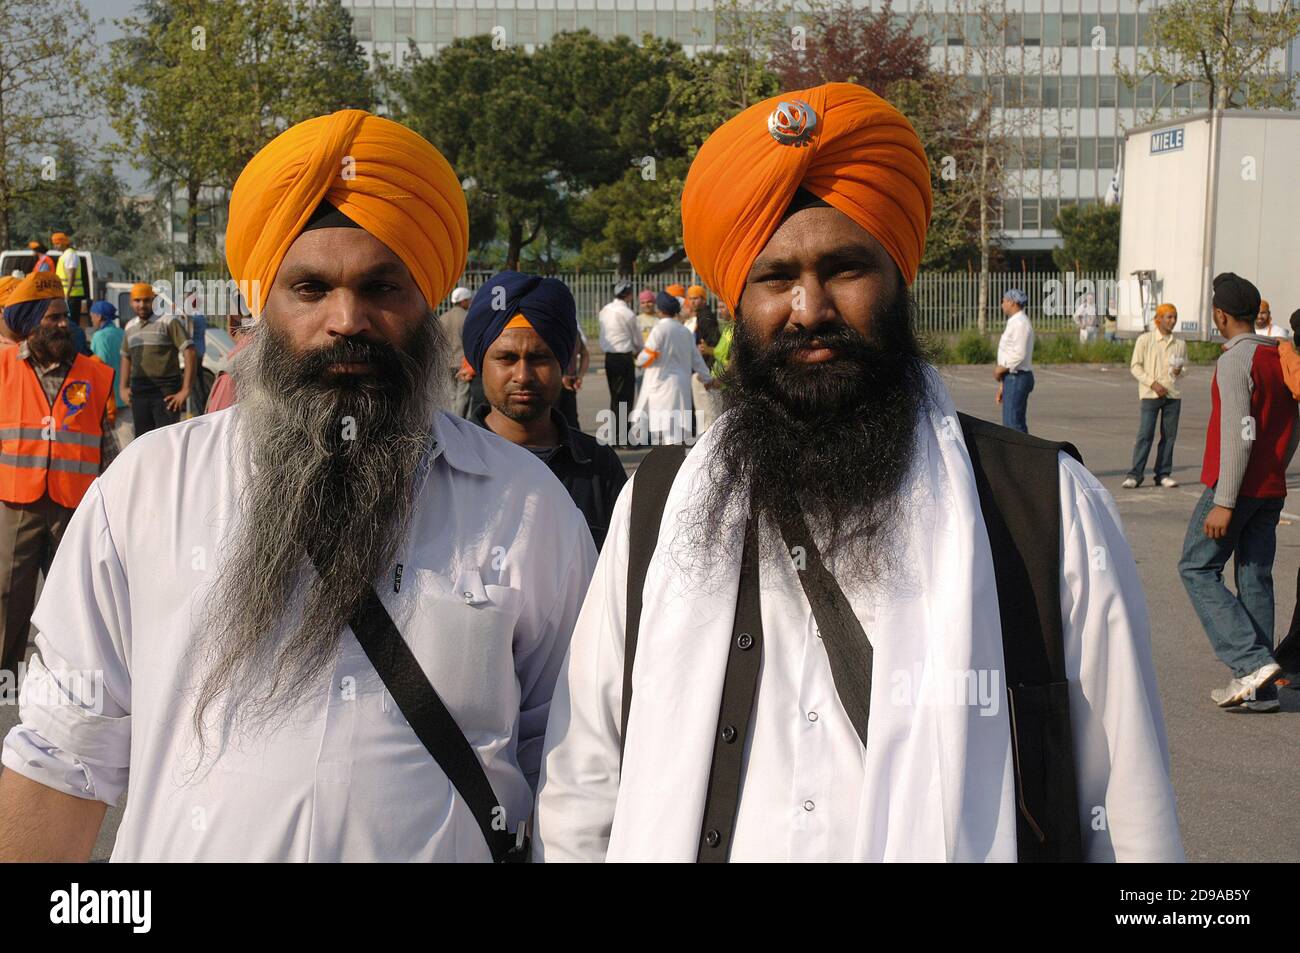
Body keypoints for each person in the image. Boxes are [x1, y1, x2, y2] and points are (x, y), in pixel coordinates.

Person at [536, 82, 1181, 863]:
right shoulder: (659, 505)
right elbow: (584, 788)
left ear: (899, 279)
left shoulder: (1043, 507)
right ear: (740, 304)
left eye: (844, 269)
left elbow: (1128, 813)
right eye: (776, 278)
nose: (809, 307)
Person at [0, 109, 596, 862]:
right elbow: (61, 759)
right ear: (261, 306)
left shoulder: (526, 506)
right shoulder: (147, 490)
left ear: (428, 303)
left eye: (382, 286)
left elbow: (578, 774)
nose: (348, 319)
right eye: (310, 288)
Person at [1178, 273, 1299, 714]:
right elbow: (1293, 427)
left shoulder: (1236, 361)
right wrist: (1276, 469)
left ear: (1220, 315)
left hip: (1236, 487)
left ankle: (1250, 663)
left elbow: (1239, 434)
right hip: (1270, 488)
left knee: (1196, 567)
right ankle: (1263, 690)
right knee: (1253, 577)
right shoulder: (1279, 356)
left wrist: (1225, 499)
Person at [0, 272, 117, 695]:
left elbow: (107, 446)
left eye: (64, 315)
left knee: (78, 604)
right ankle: (6, 684)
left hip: (76, 507)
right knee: (8, 597)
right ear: (31, 322)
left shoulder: (95, 373)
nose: (62, 323)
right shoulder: (4, 368)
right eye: (52, 317)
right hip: (18, 504)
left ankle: (71, 690)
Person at [465, 271, 627, 550]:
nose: (523, 375)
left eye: (539, 358)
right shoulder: (447, 464)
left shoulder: (598, 466)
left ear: (561, 364)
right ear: (482, 364)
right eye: (506, 358)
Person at [629, 291, 715, 445]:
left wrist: (638, 361)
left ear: (660, 310)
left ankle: (668, 464)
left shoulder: (659, 330)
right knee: (679, 429)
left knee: (664, 430)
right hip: (681, 385)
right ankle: (676, 462)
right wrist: (707, 378)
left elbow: (645, 357)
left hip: (661, 385)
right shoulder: (685, 331)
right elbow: (696, 359)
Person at [1123, 303, 1187, 489]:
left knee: (1169, 436)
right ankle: (1135, 474)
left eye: (1174, 317)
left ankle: (1163, 474)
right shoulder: (1145, 340)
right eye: (1168, 317)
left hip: (1173, 394)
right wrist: (1153, 383)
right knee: (1145, 435)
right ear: (1158, 319)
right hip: (1150, 394)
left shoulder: (1180, 343)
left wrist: (1178, 371)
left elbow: (1184, 368)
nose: (1172, 321)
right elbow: (1135, 366)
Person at [119, 282, 196, 436]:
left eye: (146, 300)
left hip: (166, 392)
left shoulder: (168, 321)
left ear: (153, 300)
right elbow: (126, 357)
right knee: (142, 440)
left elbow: (190, 351)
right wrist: (123, 388)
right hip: (139, 392)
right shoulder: (130, 327)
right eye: (137, 300)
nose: (142, 305)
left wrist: (185, 390)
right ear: (131, 302)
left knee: (166, 439)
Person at [597, 281, 641, 444]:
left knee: (615, 396)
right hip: (624, 357)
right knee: (626, 398)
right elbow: (637, 340)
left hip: (609, 358)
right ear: (628, 295)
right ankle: (624, 437)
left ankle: (615, 436)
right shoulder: (628, 314)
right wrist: (640, 351)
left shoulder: (605, 310)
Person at [89, 300, 133, 448]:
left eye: (92, 316)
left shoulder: (99, 337)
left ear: (99, 317)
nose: (91, 319)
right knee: (128, 442)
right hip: (125, 394)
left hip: (109, 399)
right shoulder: (123, 333)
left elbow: (99, 366)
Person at [994, 288, 1034, 433]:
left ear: (1012, 302)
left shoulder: (1020, 324)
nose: (1002, 304)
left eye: (1004, 301)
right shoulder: (1015, 322)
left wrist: (1000, 369)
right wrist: (1002, 384)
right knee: (1010, 424)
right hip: (1011, 377)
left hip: (1017, 377)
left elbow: (1019, 354)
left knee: (1014, 426)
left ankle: (1026, 455)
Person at [683, 284, 721, 434]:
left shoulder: (706, 316)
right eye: (691, 298)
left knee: (705, 408)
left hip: (706, 364)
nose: (693, 302)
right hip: (702, 364)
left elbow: (713, 339)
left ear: (704, 299)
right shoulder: (700, 315)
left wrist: (706, 351)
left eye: (696, 298)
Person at [438, 286, 473, 416]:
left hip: (446, 362)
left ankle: (451, 421)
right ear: (463, 301)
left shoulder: (443, 317)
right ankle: (459, 422)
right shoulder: (468, 318)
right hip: (463, 363)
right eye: (468, 300)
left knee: (451, 395)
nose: (469, 303)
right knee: (462, 395)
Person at [51, 232, 88, 327]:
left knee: (71, 323)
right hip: (67, 295)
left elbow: (71, 274)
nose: (55, 246)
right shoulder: (65, 255)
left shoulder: (70, 255)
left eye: (57, 243)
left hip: (72, 296)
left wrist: (67, 294)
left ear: (63, 243)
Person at [557, 328, 588, 431]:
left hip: (568, 384)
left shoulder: (574, 332)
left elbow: (584, 353)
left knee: (570, 423)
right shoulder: (552, 329)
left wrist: (580, 376)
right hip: (556, 384)